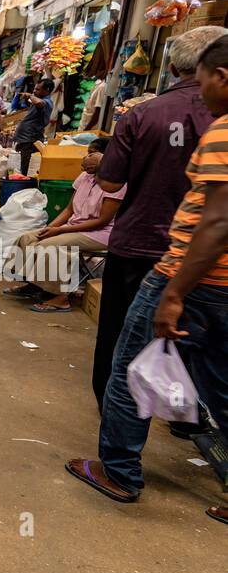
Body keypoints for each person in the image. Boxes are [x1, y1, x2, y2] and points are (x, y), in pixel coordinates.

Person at [66, 35, 228, 527]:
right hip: (219, 278)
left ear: (218, 75)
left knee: (127, 366)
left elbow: (216, 222)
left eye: (206, 80)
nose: (201, 90)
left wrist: (175, 290)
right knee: (220, 380)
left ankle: (118, 470)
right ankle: (190, 424)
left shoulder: (149, 116)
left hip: (169, 261)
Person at [90, 25, 228, 408]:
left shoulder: (142, 114)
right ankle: (190, 420)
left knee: (120, 341)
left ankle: (116, 430)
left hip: (142, 244)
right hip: (211, 264)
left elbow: (109, 180)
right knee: (202, 350)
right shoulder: (214, 119)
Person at [2, 137, 124, 311]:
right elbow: (68, 210)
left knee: (52, 245)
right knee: (28, 238)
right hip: (73, 226)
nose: (86, 159)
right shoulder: (84, 177)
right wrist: (50, 227)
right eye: (87, 153)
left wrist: (59, 230)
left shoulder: (117, 184)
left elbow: (102, 221)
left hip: (100, 233)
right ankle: (34, 285)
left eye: (92, 154)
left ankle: (60, 297)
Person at [12, 78, 55, 175]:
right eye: (34, 89)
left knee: (26, 168)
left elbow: (39, 103)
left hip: (30, 139)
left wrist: (30, 96)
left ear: (47, 90)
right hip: (26, 139)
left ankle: (25, 186)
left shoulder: (47, 102)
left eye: (38, 89)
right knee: (24, 165)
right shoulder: (39, 99)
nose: (34, 91)